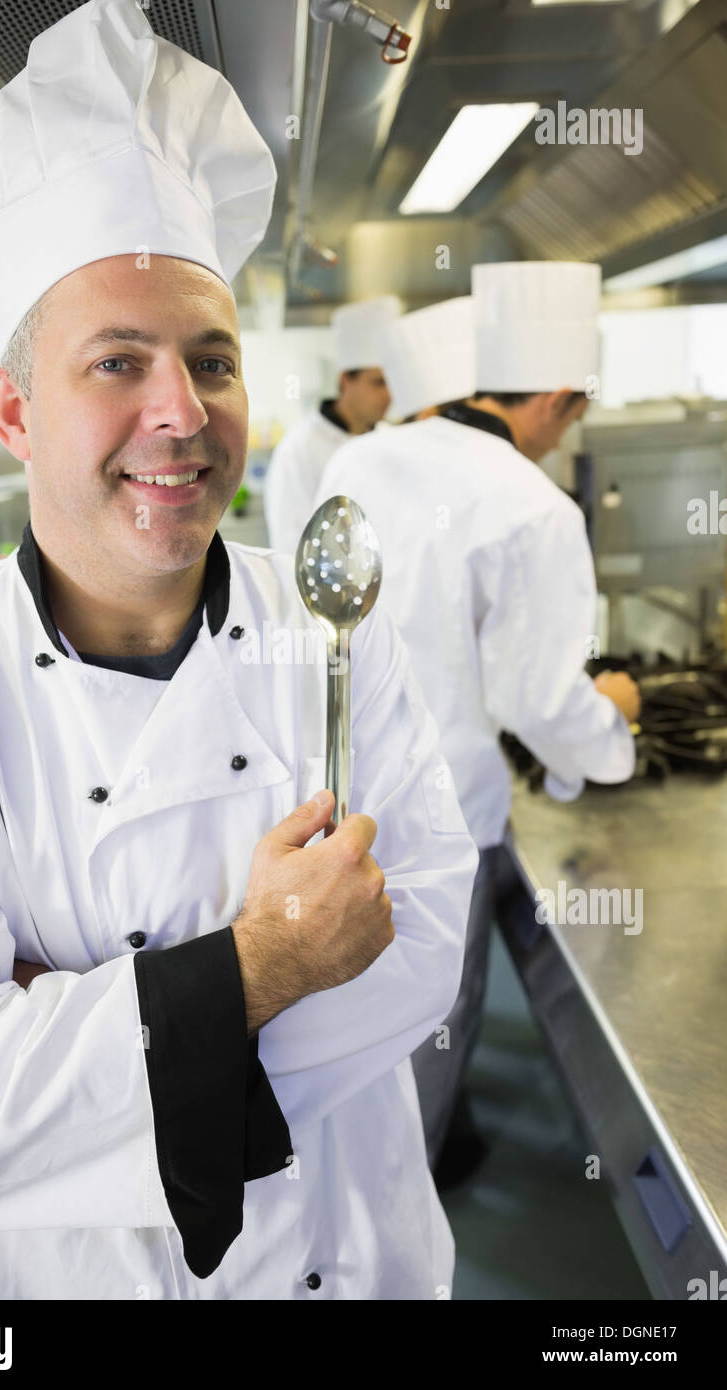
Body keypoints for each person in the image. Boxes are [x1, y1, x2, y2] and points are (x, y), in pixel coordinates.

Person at [0, 0, 478, 1300]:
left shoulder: (338, 628)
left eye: (211, 357)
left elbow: (420, 950)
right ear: (13, 409)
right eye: (116, 361)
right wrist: (265, 961)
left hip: (354, 1265)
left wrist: (64, 1016)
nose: (181, 411)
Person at [313, 274, 640, 1181]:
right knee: (435, 1016)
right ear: (551, 398)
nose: (561, 436)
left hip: (341, 796)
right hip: (450, 811)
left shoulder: (362, 460)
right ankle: (405, 1214)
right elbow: (537, 701)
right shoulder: (536, 507)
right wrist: (612, 722)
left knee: (356, 1020)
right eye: (569, 415)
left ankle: (378, 1182)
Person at [262, 296, 398, 554]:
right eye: (378, 383)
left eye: (392, 382)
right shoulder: (300, 448)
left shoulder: (391, 439)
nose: (389, 395)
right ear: (346, 379)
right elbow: (290, 543)